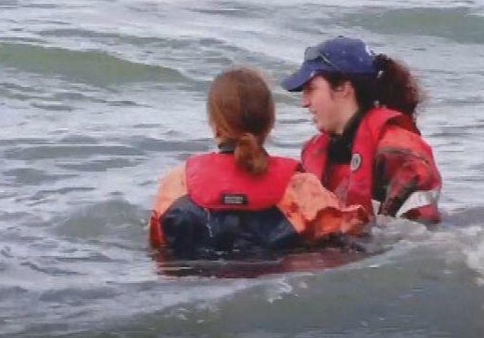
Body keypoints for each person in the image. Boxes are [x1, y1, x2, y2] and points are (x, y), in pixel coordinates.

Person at [150, 67, 365, 259]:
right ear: (270, 124)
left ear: (214, 125)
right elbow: (350, 235)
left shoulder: (177, 184)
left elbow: (158, 247)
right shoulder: (301, 188)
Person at [281, 36, 442, 223]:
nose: (304, 102)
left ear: (343, 88)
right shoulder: (313, 151)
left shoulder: (401, 153)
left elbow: (419, 236)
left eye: (311, 89)